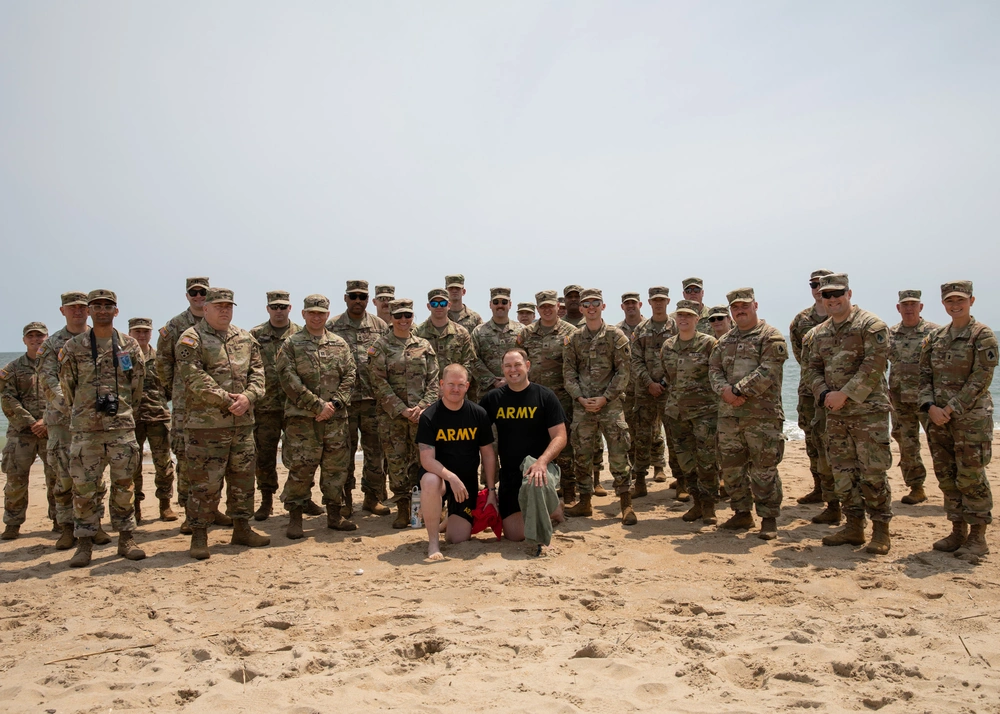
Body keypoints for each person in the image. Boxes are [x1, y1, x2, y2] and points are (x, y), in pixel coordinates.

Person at [176, 287, 269, 559]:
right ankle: (199, 535)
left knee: (243, 479)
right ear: (205, 309)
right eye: (219, 306)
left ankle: (242, 528)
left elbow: (258, 373)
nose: (225, 310)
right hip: (207, 427)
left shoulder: (245, 338)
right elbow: (193, 377)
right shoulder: (191, 339)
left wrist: (249, 397)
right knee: (204, 483)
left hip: (242, 424)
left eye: (229, 306)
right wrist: (227, 400)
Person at [805, 273, 894, 555]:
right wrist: (823, 395)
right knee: (843, 472)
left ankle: (881, 530)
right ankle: (854, 526)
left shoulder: (871, 325)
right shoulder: (818, 334)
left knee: (873, 472)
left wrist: (845, 394)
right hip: (835, 413)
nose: (832, 299)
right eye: (826, 294)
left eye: (837, 293)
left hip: (868, 413)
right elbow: (811, 369)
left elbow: (875, 364)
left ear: (849, 293)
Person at [59, 290, 146, 567]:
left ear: (116, 311)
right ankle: (84, 544)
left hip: (121, 428)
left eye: (108, 306)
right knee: (84, 489)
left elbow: (137, 385)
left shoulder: (129, 345)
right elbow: (67, 387)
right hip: (86, 430)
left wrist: (122, 409)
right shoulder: (74, 347)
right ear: (89, 311)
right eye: (96, 306)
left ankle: (126, 538)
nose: (102, 310)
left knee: (124, 486)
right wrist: (84, 411)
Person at [919, 281, 997, 558]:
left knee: (970, 475)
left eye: (960, 300)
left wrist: (950, 408)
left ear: (971, 301)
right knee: (947, 476)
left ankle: (978, 537)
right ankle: (957, 530)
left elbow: (980, 379)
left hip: (969, 419)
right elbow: (924, 375)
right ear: (943, 304)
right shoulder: (936, 337)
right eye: (950, 301)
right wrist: (930, 407)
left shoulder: (982, 335)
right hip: (937, 418)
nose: (955, 305)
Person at [708, 288, 788, 540]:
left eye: (744, 306)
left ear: (755, 305)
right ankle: (741, 512)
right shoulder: (724, 341)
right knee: (732, 468)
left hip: (762, 416)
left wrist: (738, 390)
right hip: (729, 416)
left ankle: (768, 518)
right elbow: (713, 370)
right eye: (735, 307)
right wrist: (724, 391)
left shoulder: (770, 336)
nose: (739, 310)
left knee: (764, 468)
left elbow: (769, 370)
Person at [277, 294, 358, 538]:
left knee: (336, 470)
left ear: (327, 315)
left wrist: (334, 404)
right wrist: (317, 406)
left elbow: (350, 375)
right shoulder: (291, 344)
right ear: (303, 314)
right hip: (303, 421)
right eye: (311, 312)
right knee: (301, 469)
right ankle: (295, 518)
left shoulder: (339, 344)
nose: (316, 317)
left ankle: (334, 516)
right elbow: (288, 380)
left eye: (321, 313)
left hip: (335, 420)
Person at [157, 276, 230, 533]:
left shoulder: (221, 324)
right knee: (188, 457)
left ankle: (212, 509)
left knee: (216, 458)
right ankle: (190, 513)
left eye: (203, 292)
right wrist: (176, 390)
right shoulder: (175, 326)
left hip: (217, 405)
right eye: (194, 292)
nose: (199, 296)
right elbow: (163, 363)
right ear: (187, 295)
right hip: (187, 404)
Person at [37, 291, 107, 549]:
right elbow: (47, 379)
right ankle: (67, 528)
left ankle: (95, 525)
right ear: (62, 311)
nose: (77, 311)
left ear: (88, 310)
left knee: (94, 476)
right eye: (72, 307)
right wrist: (69, 405)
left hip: (95, 421)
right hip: (63, 421)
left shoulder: (102, 337)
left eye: (81, 307)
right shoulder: (53, 343)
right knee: (64, 477)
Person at [563, 288, 635, 524]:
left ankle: (626, 504)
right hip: (583, 406)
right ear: (581, 309)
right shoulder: (574, 339)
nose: (591, 307)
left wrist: (605, 398)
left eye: (596, 303)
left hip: (611, 406)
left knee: (618, 454)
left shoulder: (617, 337)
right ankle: (585, 502)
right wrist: (580, 398)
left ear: (603, 306)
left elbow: (623, 372)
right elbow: (569, 373)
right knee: (581, 455)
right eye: (586, 304)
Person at [480, 348, 567, 541]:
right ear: (502, 369)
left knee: (535, 486)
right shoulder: (493, 399)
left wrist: (543, 462)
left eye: (517, 364)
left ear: (527, 366)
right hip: (511, 474)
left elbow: (560, 436)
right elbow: (472, 426)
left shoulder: (545, 396)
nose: (513, 370)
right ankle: (552, 510)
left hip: (541, 470)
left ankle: (552, 506)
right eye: (508, 366)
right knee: (515, 535)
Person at [368, 298, 440, 528]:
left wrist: (422, 407)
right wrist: (401, 409)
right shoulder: (380, 347)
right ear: (391, 318)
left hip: (422, 416)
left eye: (407, 315)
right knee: (397, 462)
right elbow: (378, 382)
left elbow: (434, 380)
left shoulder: (424, 346)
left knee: (423, 462)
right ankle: (402, 508)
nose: (403, 320)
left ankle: (425, 508)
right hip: (393, 418)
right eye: (398, 316)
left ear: (412, 317)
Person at [417, 364, 496, 560]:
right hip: (440, 479)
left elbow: (488, 454)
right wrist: (450, 477)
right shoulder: (429, 416)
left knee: (458, 538)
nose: (455, 389)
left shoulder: (478, 414)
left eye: (460, 385)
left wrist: (491, 491)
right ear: (442, 385)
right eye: (450, 384)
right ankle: (433, 542)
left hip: (466, 483)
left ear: (467, 386)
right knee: (430, 481)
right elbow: (427, 460)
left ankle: (442, 522)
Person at [328, 280, 390, 516]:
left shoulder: (380, 326)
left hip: (374, 401)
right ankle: (345, 500)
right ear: (345, 298)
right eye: (353, 296)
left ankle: (372, 498)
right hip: (345, 402)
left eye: (362, 297)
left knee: (375, 453)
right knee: (344, 453)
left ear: (367, 300)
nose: (357, 301)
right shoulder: (333, 326)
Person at [661, 301, 720, 525]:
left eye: (688, 316)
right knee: (686, 461)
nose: (683, 319)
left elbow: (716, 373)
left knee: (707, 461)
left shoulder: (708, 344)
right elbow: (669, 375)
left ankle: (709, 506)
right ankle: (696, 502)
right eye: (680, 316)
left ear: (697, 319)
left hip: (704, 413)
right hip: (677, 413)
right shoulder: (668, 346)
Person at [516, 290, 577, 500]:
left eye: (550, 306)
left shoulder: (571, 332)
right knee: (536, 443)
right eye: (543, 307)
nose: (547, 310)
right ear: (538, 309)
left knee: (565, 445)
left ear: (558, 307)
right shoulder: (526, 334)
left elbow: (577, 365)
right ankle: (537, 487)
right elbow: (519, 364)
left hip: (563, 397)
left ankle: (569, 490)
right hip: (534, 399)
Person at [249, 290, 303, 521]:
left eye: (283, 307)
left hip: (295, 407)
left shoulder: (301, 334)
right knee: (265, 457)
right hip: (265, 407)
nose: (279, 311)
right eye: (275, 307)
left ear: (290, 308)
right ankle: (267, 501)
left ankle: (302, 499)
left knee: (298, 456)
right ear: (268, 308)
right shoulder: (254, 335)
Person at [1, 323, 56, 540]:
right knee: (15, 480)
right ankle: (13, 524)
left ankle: (60, 522)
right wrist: (31, 422)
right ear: (24, 340)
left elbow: (66, 396)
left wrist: (46, 421)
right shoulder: (12, 369)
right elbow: (7, 399)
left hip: (51, 431)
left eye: (39, 336)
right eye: (31, 336)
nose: (35, 340)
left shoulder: (56, 366)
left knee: (57, 479)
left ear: (47, 338)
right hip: (20, 433)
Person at [888, 290, 939, 505]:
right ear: (898, 308)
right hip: (900, 400)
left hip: (928, 399)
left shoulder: (935, 333)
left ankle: (953, 489)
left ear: (921, 307)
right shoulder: (890, 334)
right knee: (907, 445)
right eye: (905, 305)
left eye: (913, 304)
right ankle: (916, 488)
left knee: (939, 443)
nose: (909, 308)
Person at [629, 287, 679, 499]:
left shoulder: (677, 326)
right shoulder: (641, 329)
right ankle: (640, 480)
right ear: (649, 303)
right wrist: (649, 382)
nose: (658, 304)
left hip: (670, 393)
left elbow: (680, 358)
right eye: (654, 300)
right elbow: (635, 360)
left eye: (662, 300)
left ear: (668, 301)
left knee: (675, 437)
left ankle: (682, 480)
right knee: (642, 437)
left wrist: (665, 383)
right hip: (645, 391)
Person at [789, 269, 833, 506]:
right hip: (809, 391)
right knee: (812, 438)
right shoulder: (801, 321)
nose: (818, 289)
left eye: (823, 285)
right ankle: (819, 487)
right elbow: (800, 356)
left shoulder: (845, 316)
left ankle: (839, 495)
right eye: (814, 285)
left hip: (840, 392)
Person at [128, 317, 177, 523]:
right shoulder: (123, 358)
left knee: (163, 464)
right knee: (132, 466)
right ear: (130, 333)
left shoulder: (160, 358)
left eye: (145, 331)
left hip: (158, 416)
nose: (141, 335)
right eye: (137, 331)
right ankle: (135, 507)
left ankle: (165, 505)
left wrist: (158, 401)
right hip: (132, 419)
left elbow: (169, 385)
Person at [617, 292, 668, 487]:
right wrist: (647, 382)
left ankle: (659, 466)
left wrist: (661, 382)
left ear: (639, 304)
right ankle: (635, 469)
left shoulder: (662, 326)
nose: (630, 306)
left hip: (663, 386)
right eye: (626, 303)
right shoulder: (620, 329)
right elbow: (631, 360)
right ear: (622, 306)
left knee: (658, 429)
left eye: (633, 303)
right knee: (633, 429)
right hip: (633, 387)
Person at [415, 288, 477, 396]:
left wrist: (452, 387)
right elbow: (414, 366)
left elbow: (469, 364)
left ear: (449, 305)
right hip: (425, 395)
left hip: (455, 393)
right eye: (434, 303)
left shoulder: (461, 333)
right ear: (428, 306)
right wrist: (433, 390)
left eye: (442, 303)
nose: (439, 307)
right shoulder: (417, 334)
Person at [471, 287, 524, 401]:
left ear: (510, 304)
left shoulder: (522, 330)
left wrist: (509, 379)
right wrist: (493, 381)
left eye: (504, 302)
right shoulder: (479, 331)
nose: (500, 305)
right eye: (496, 302)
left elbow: (528, 358)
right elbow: (473, 360)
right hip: (487, 393)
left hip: (517, 390)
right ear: (490, 305)